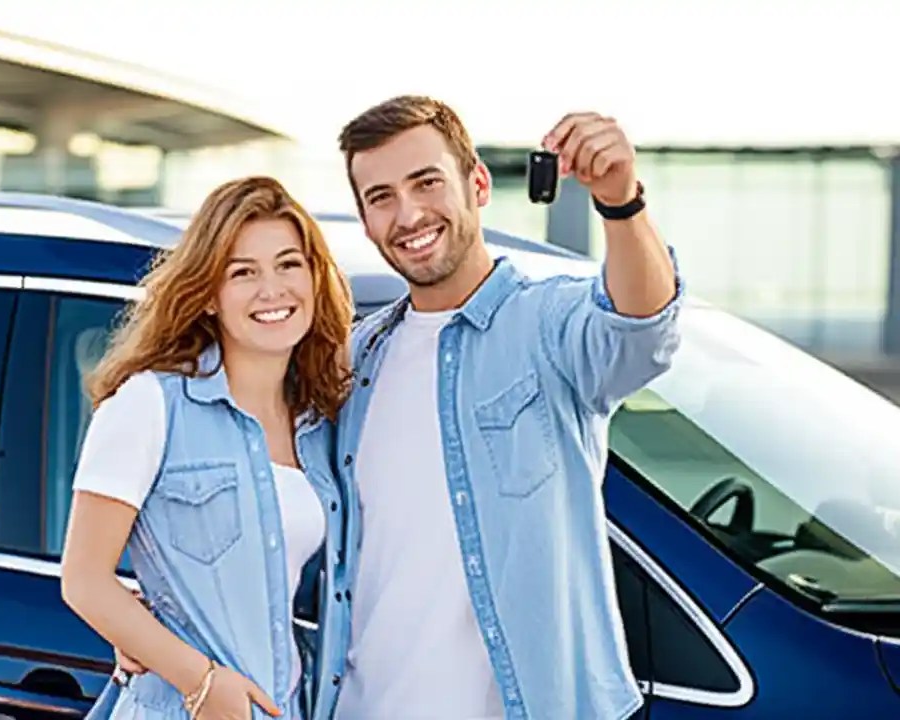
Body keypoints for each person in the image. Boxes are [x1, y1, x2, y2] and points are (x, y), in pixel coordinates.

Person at [330, 96, 683, 720]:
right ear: (365, 220)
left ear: (478, 183)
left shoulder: (545, 321)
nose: (407, 213)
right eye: (381, 196)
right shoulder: (358, 358)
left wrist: (621, 203)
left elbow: (642, 330)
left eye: (426, 182)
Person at [60, 175, 357, 720]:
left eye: (289, 265)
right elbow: (83, 580)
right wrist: (202, 683)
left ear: (315, 279)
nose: (272, 290)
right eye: (243, 272)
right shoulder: (149, 404)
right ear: (210, 295)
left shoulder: (318, 423)